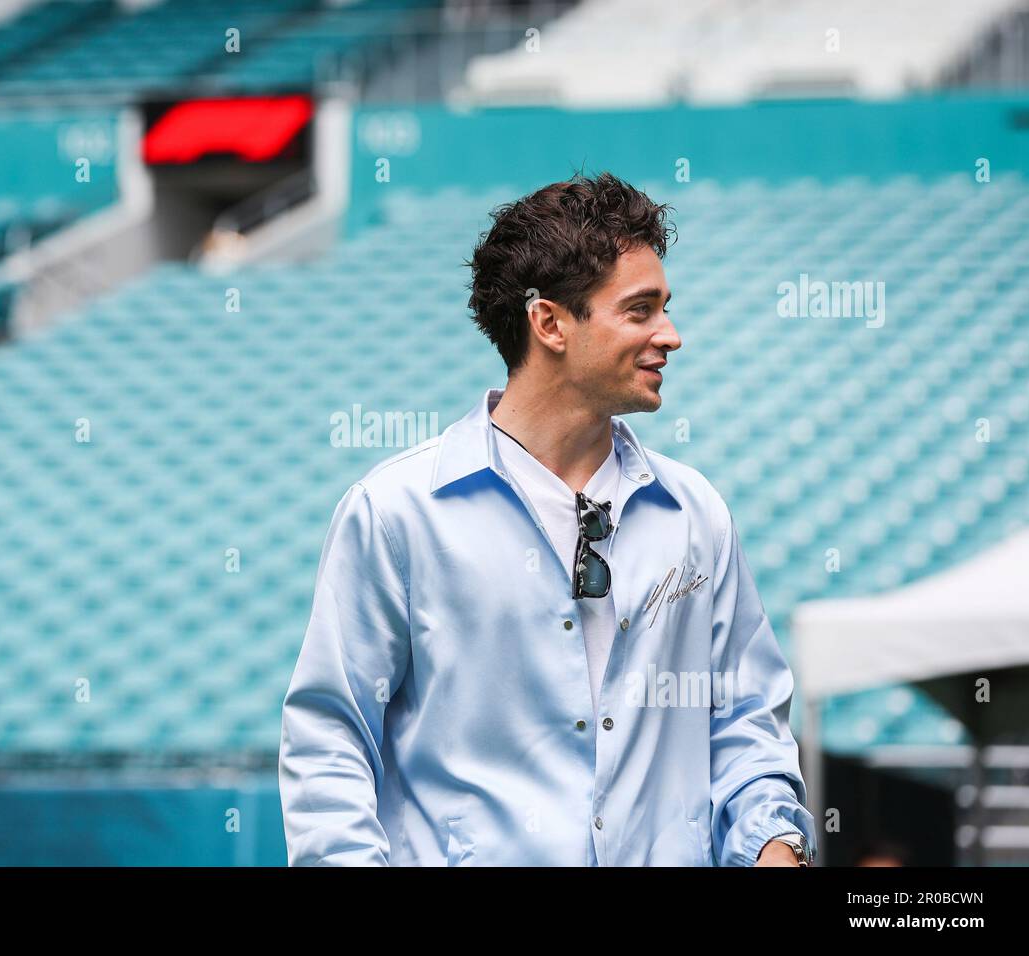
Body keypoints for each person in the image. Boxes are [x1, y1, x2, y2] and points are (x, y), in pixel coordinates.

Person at [278, 172, 815, 866]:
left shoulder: (694, 513)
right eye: (641, 310)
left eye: (666, 307)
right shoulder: (395, 514)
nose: (671, 335)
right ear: (550, 323)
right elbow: (329, 744)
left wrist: (772, 843)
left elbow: (746, 723)